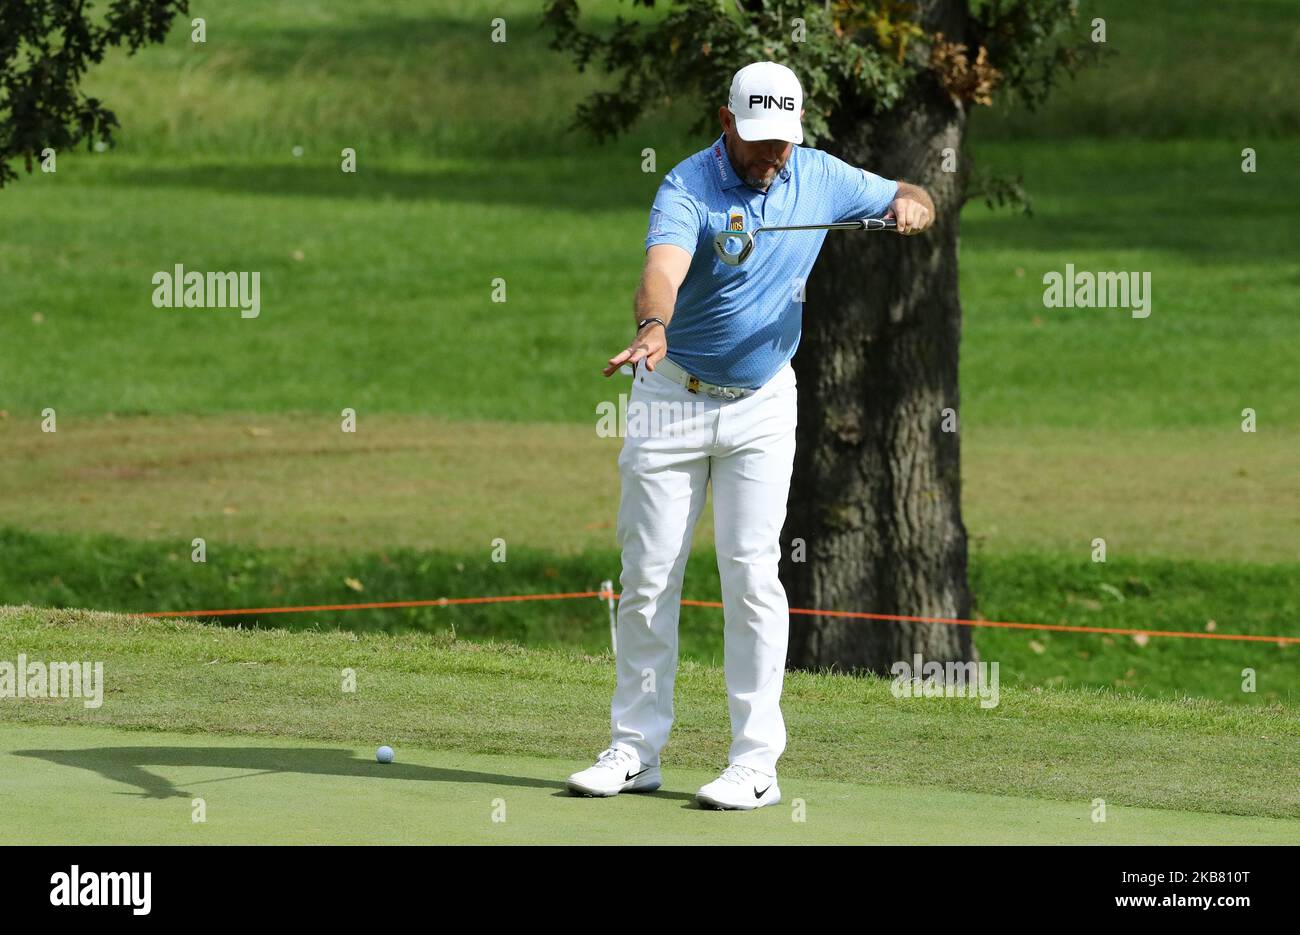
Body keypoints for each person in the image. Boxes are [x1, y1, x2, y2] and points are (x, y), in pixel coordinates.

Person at [568, 61, 934, 809]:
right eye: (760, 140)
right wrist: (652, 326)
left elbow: (913, 192)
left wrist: (911, 207)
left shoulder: (821, 176)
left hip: (764, 401)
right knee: (649, 575)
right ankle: (637, 750)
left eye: (785, 142)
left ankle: (755, 764)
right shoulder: (686, 186)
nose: (774, 156)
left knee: (751, 574)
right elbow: (661, 269)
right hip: (671, 395)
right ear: (727, 122)